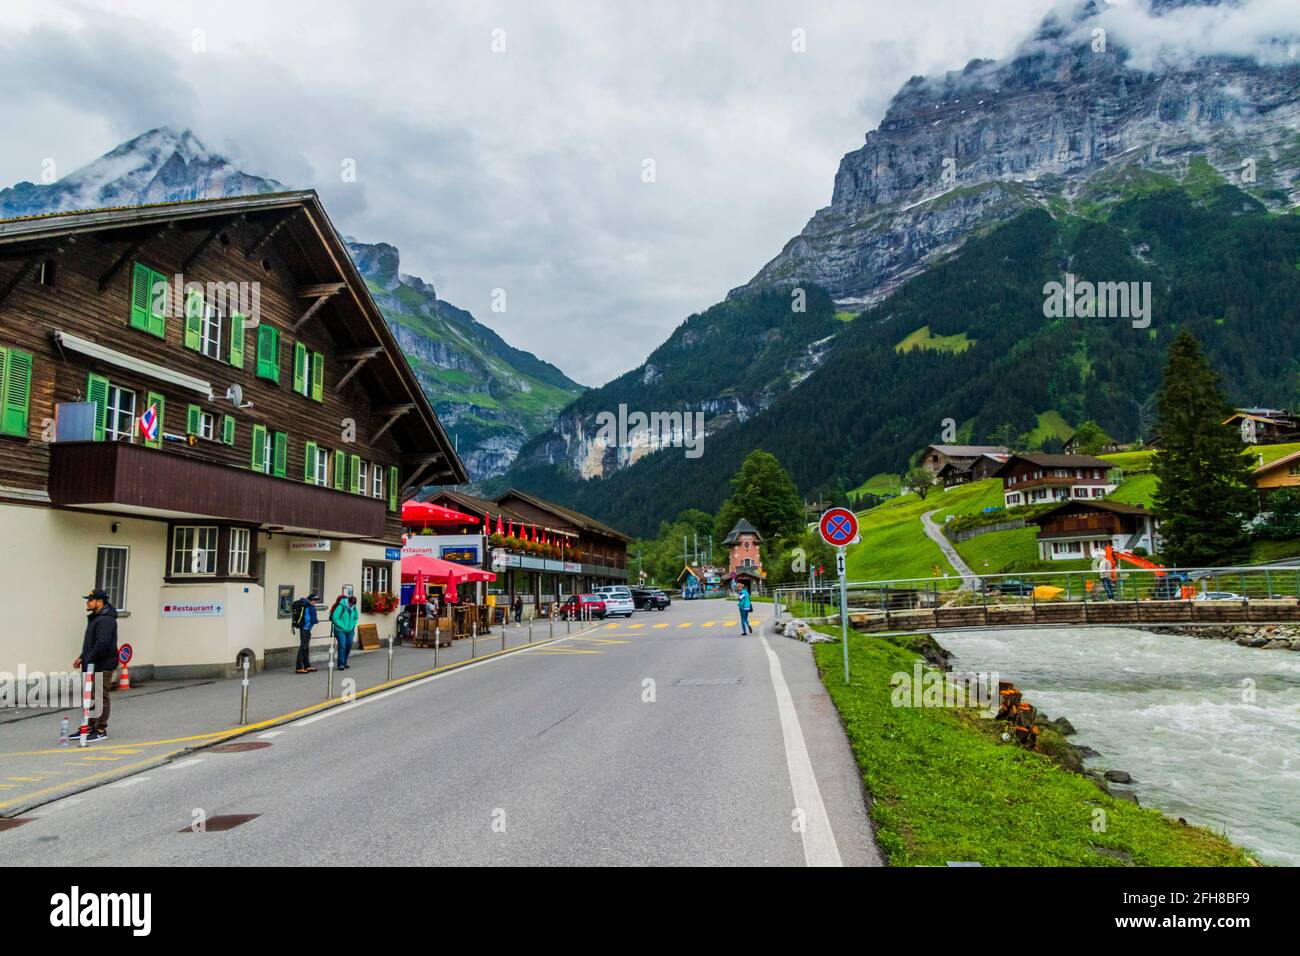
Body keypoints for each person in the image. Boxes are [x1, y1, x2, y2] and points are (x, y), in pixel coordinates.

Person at [72, 589, 118, 742]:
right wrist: (81, 657)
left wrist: (89, 658)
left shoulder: (106, 619)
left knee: (100, 696)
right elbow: (92, 642)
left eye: (90, 600)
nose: (87, 602)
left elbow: (102, 643)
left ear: (100, 602)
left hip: (102, 664)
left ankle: (100, 729)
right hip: (92, 662)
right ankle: (88, 726)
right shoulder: (96, 618)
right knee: (90, 696)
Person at [292, 592, 319, 673]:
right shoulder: (307, 606)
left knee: (306, 647)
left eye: (316, 600)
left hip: (308, 629)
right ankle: (299, 667)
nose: (316, 602)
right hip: (305, 629)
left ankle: (307, 666)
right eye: (315, 600)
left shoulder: (310, 606)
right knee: (302, 647)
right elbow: (307, 619)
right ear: (311, 600)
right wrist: (308, 625)